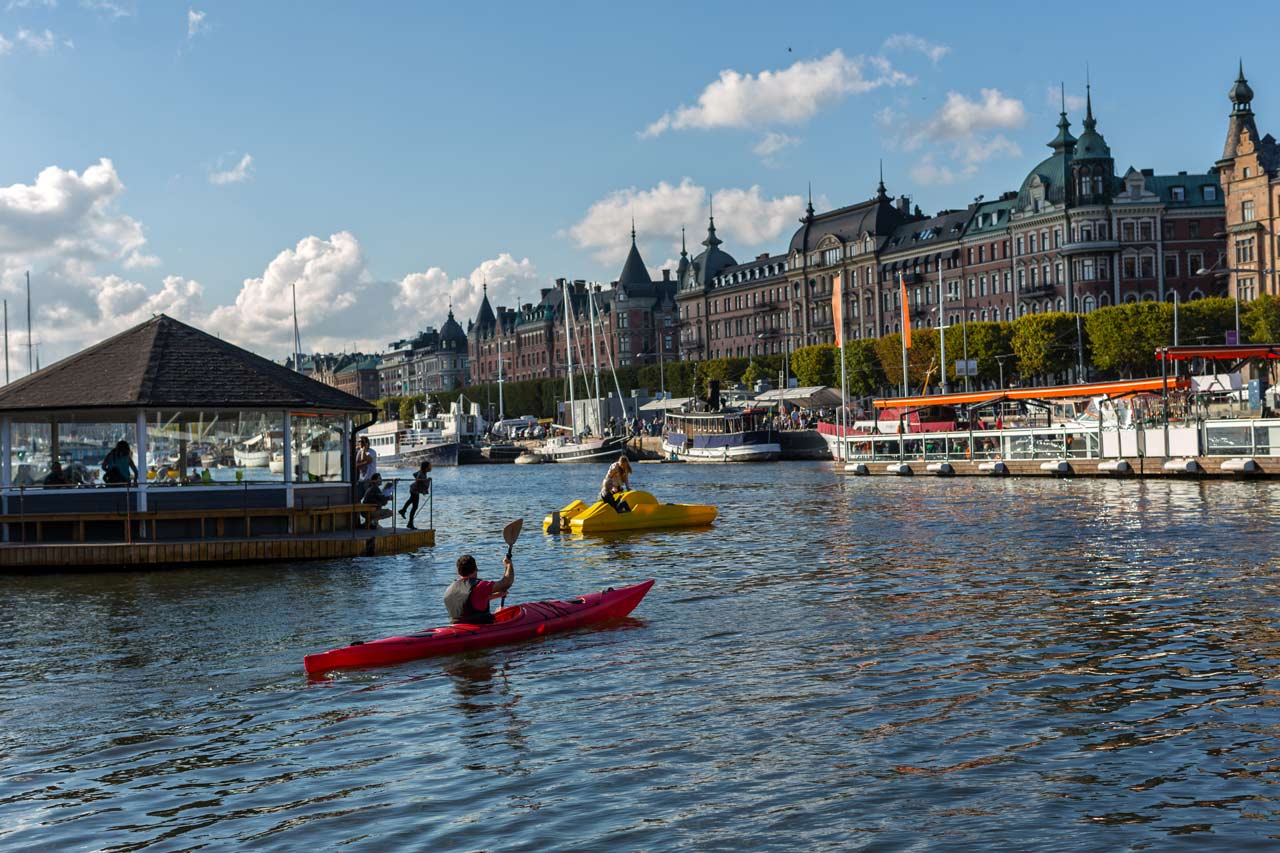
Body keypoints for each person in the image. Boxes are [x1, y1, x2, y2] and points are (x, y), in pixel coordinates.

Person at [444, 553, 515, 625]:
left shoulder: (450, 589)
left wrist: (498, 594)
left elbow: (470, 601)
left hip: (456, 628)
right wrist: (509, 565)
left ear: (458, 572)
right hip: (480, 629)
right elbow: (506, 583)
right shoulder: (479, 586)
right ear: (475, 569)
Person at [398, 459, 432, 529]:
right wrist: (427, 480)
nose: (431, 468)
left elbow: (414, 474)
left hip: (414, 490)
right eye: (429, 466)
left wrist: (424, 480)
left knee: (411, 500)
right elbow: (420, 482)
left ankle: (403, 511)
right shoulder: (422, 473)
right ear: (426, 468)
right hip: (414, 490)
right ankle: (410, 523)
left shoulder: (423, 472)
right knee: (414, 507)